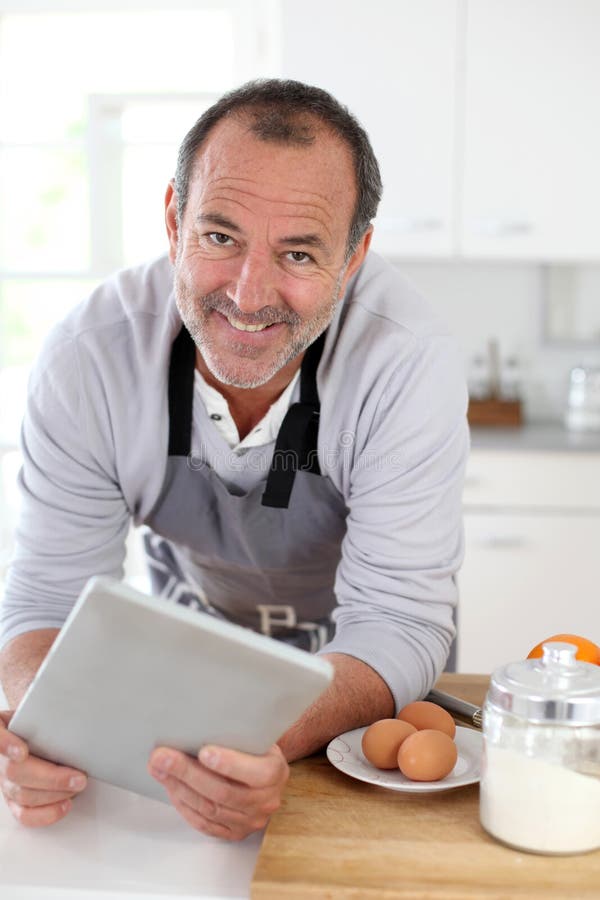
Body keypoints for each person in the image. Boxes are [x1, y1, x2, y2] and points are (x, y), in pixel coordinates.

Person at [0, 79, 468, 840]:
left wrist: (255, 741)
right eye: (219, 237)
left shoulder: (406, 363)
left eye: (299, 253)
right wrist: (37, 728)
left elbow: (399, 622)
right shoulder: (89, 358)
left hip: (353, 702)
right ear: (173, 219)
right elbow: (48, 605)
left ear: (354, 259)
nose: (249, 296)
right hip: (181, 691)